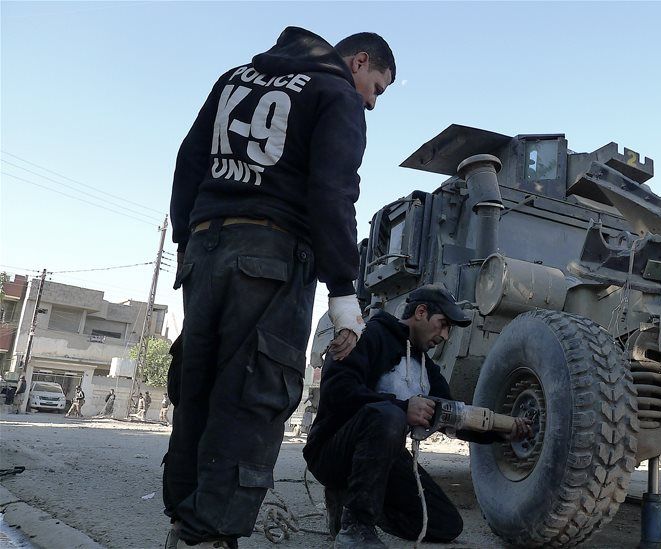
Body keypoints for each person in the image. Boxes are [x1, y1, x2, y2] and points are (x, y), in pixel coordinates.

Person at [163, 27, 395, 549]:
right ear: (359, 62)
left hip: (205, 247)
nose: (372, 102)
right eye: (377, 88)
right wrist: (343, 290)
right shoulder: (335, 94)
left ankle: (183, 522)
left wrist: (188, 243)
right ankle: (207, 536)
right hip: (271, 256)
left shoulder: (234, 80)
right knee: (251, 395)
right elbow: (332, 193)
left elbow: (188, 163)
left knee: (197, 387)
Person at [303, 285, 532, 548]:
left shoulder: (427, 369)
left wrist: (501, 431)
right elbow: (338, 391)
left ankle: (352, 502)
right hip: (332, 451)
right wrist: (402, 408)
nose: (445, 335)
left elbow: (451, 414)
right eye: (443, 324)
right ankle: (356, 526)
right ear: (421, 312)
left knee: (445, 524)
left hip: (380, 459)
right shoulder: (368, 336)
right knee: (388, 416)